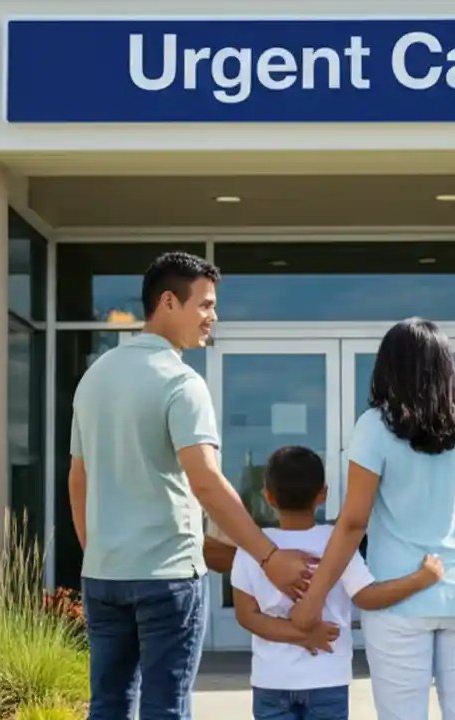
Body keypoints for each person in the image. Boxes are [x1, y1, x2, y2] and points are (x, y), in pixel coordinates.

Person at [68, 251, 317, 720]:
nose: (213, 317)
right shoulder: (182, 383)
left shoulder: (93, 378)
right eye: (204, 305)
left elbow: (78, 479)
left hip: (103, 576)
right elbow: (205, 481)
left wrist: (96, 553)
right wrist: (268, 556)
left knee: (108, 705)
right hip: (167, 579)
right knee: (166, 708)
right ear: (167, 302)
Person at [289, 317, 455, 720]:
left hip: (398, 601)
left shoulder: (375, 427)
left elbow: (354, 522)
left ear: (388, 366)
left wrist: (313, 598)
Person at [230, 446, 444, 720]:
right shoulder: (335, 542)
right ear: (323, 494)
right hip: (327, 680)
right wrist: (421, 578)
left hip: (271, 681)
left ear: (268, 496)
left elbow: (246, 616)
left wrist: (300, 634)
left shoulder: (254, 548)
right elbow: (366, 596)